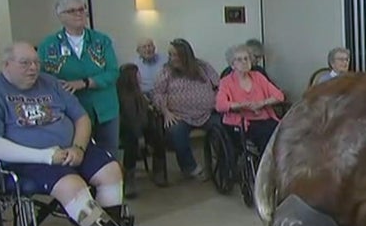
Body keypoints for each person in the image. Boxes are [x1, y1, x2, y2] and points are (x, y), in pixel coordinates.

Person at [0, 42, 156, 226]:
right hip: (29, 159)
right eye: (25, 63)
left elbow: (81, 118)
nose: (33, 69)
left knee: (111, 171)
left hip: (71, 148)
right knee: (72, 185)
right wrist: (45, 156)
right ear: (6, 64)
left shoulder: (50, 83)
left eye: (36, 63)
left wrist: (78, 148)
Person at [38, 0, 121, 156]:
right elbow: (42, 77)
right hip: (71, 110)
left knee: (109, 154)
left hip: (105, 108)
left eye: (82, 9)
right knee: (80, 153)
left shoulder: (101, 40)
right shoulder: (48, 45)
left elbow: (113, 72)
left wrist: (85, 82)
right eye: (72, 11)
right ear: (60, 16)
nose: (79, 14)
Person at [152, 38, 220, 180]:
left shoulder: (203, 67)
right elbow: (158, 93)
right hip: (180, 115)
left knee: (223, 126)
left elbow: (219, 85)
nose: (172, 58)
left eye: (175, 55)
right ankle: (190, 168)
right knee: (176, 132)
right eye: (170, 55)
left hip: (206, 113)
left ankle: (223, 162)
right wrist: (166, 112)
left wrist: (219, 100)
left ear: (185, 54)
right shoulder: (166, 71)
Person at [215, 45, 285, 154]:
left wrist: (261, 103)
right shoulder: (226, 82)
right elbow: (220, 105)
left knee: (283, 132)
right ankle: (266, 165)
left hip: (265, 119)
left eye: (246, 58)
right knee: (266, 135)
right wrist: (242, 105)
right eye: (239, 59)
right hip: (242, 123)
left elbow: (279, 96)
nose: (244, 62)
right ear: (232, 65)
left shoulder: (258, 77)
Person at [116, 63, 167, 194]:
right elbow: (132, 121)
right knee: (131, 142)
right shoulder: (125, 97)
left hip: (142, 127)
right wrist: (140, 137)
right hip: (128, 130)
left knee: (158, 137)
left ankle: (158, 171)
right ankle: (129, 179)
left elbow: (144, 116)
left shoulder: (139, 93)